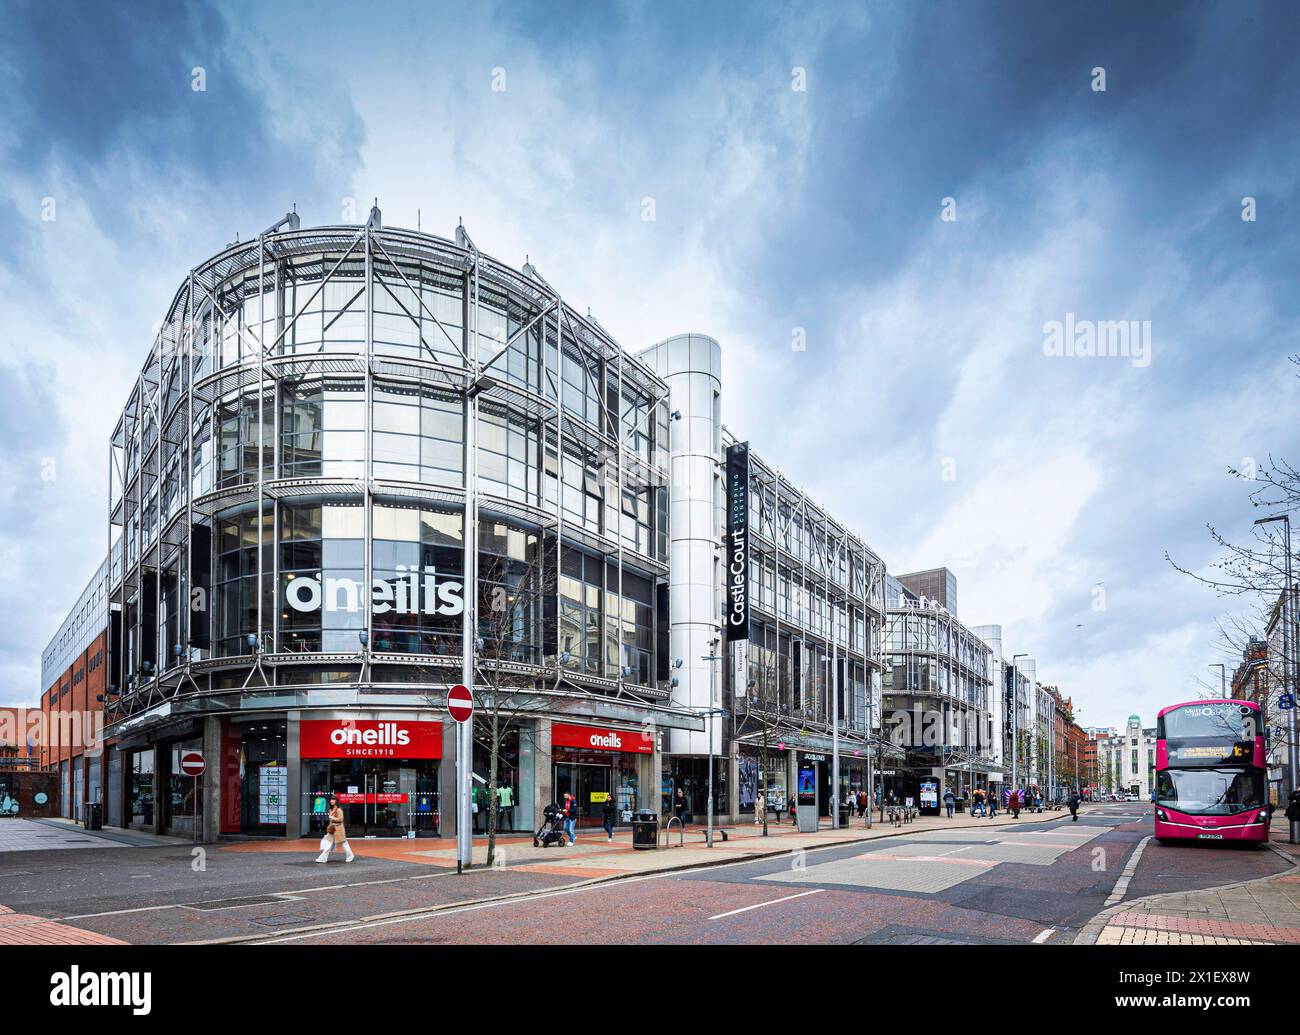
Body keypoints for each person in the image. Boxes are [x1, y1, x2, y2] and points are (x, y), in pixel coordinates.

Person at [316, 794, 355, 863]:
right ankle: (323, 858)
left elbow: (341, 819)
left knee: (344, 843)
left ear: (336, 801)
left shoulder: (338, 809)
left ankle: (350, 856)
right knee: (328, 844)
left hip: (338, 829)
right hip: (332, 829)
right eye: (331, 799)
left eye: (333, 800)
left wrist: (332, 818)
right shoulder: (331, 809)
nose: (331, 801)